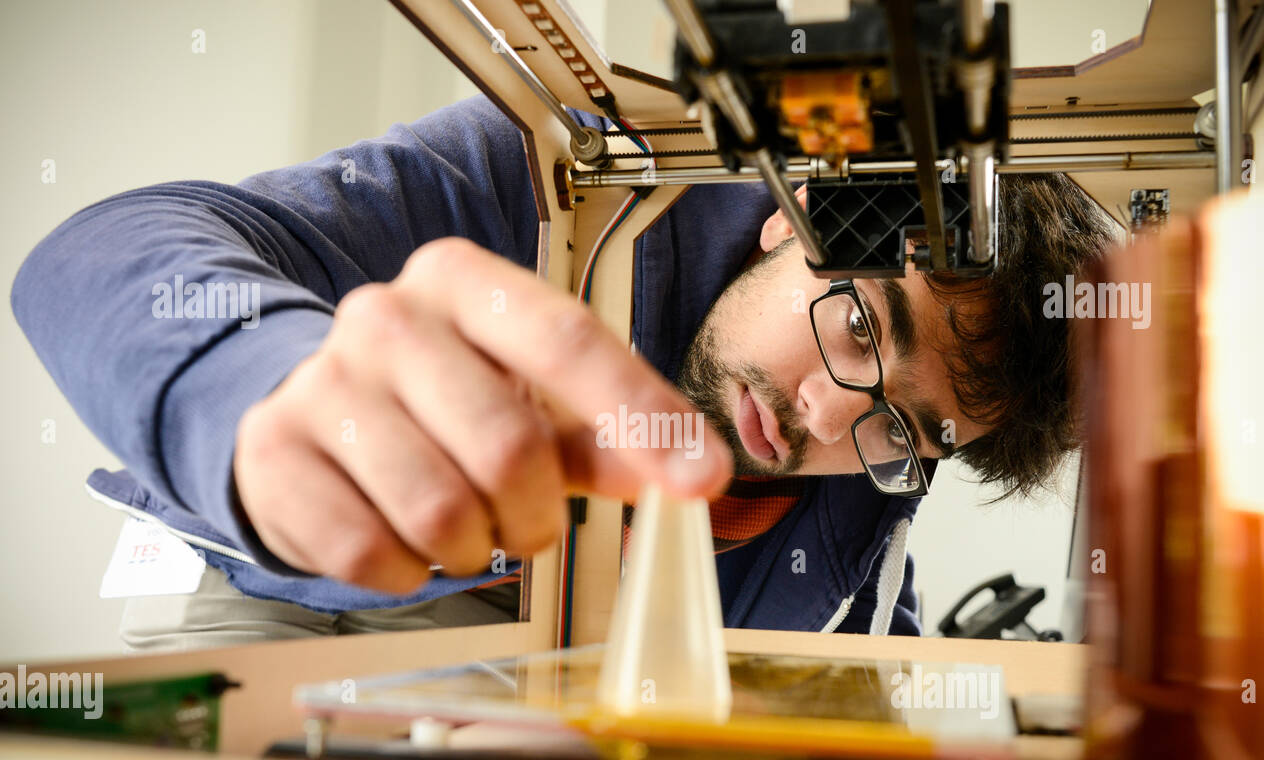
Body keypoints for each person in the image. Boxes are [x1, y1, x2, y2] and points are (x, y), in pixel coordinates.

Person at [11, 96, 1118, 647]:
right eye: (867, 330)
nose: (826, 415)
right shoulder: (568, 176)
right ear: (800, 224)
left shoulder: (868, 484)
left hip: (553, 691)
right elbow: (107, 250)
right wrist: (246, 388)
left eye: (909, 432)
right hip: (290, 600)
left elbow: (864, 619)